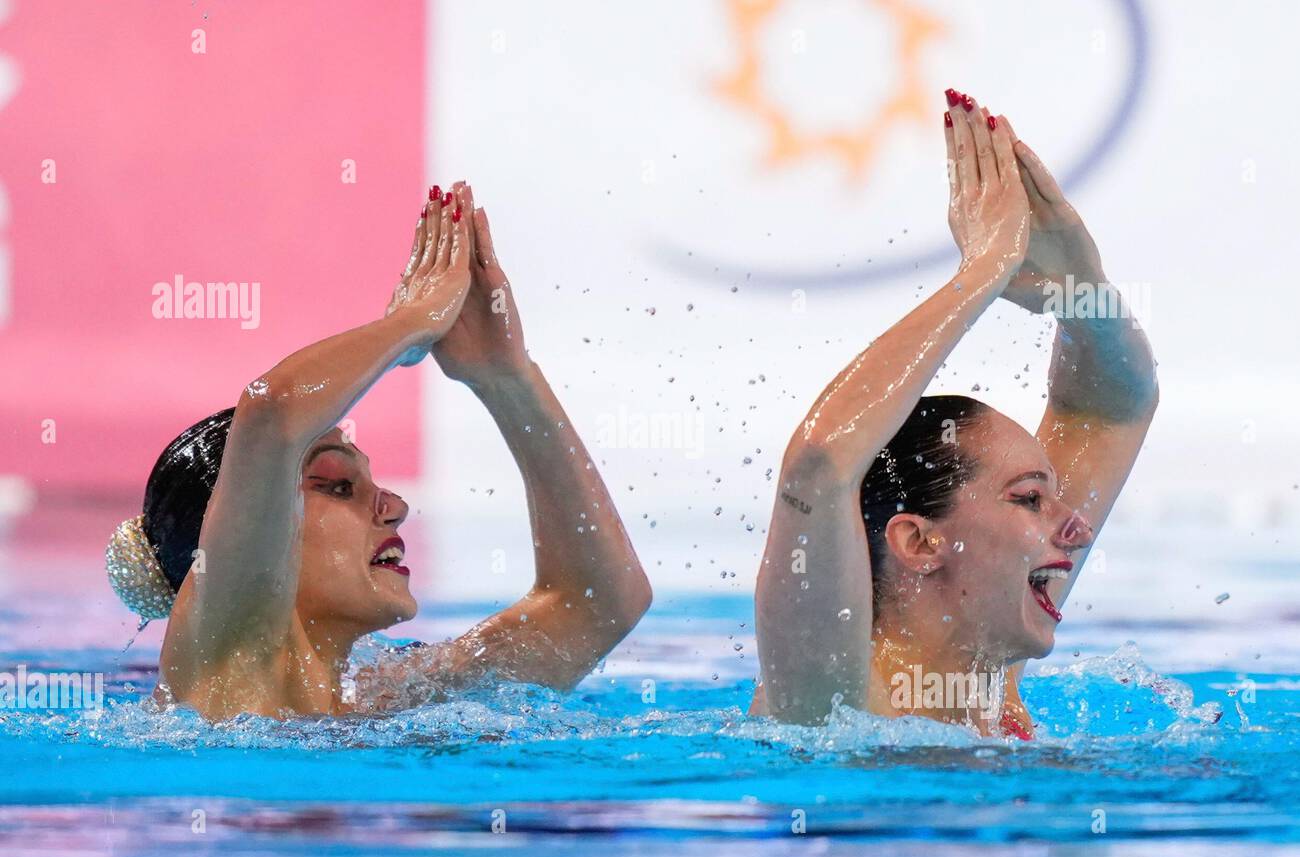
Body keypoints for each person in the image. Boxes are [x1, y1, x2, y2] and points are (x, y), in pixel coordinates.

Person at [107, 182, 652, 720]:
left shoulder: (381, 701)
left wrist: (506, 380)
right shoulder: (223, 663)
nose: (394, 505)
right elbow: (271, 412)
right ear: (243, 532)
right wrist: (411, 326)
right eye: (337, 485)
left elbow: (598, 603)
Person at [750, 91, 1158, 738]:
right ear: (918, 543)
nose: (1076, 528)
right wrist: (983, 270)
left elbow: (1112, 408)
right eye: (1028, 499)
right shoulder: (831, 693)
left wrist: (1084, 291)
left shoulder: (990, 682)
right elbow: (819, 462)